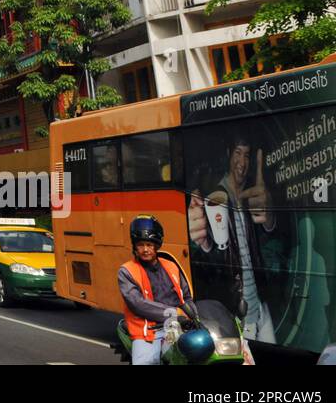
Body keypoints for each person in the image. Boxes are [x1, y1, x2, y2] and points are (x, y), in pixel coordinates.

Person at [188, 137, 282, 341]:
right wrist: (203, 243)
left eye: (247, 155)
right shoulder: (215, 198)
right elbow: (211, 253)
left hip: (260, 305)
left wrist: (270, 216)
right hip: (239, 309)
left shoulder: (252, 194)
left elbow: (270, 237)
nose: (242, 161)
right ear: (229, 155)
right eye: (238, 153)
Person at [117, 215, 195, 365]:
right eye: (140, 245)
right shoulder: (126, 271)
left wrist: (194, 317)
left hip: (177, 326)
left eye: (149, 244)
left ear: (157, 245)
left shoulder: (171, 266)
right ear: (134, 246)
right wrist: (173, 312)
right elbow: (137, 303)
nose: (145, 249)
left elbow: (186, 296)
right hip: (148, 331)